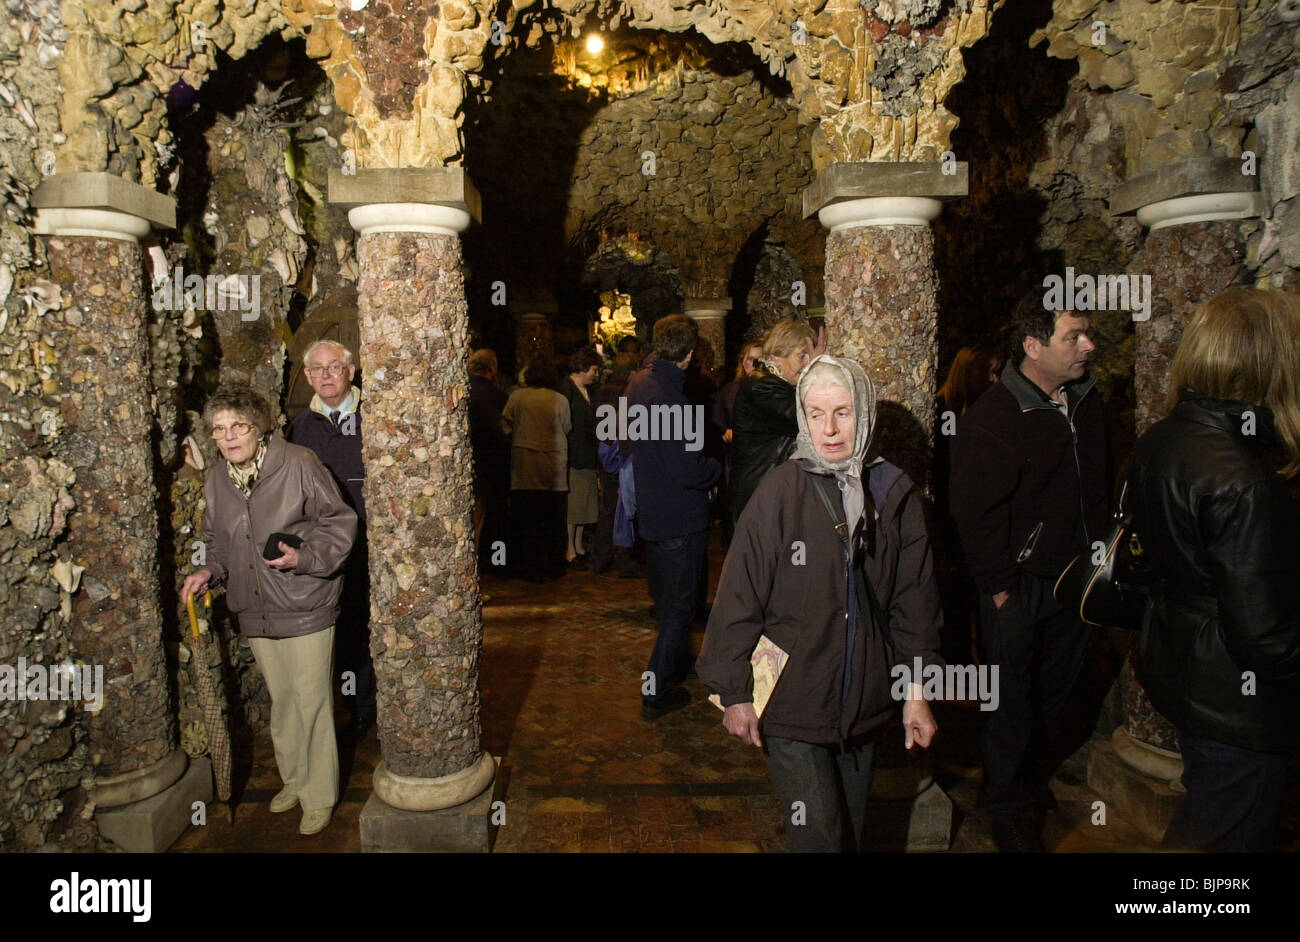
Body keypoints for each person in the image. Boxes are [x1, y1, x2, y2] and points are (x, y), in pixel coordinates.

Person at [698, 355, 941, 852]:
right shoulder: (780, 492)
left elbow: (915, 603)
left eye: (844, 412)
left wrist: (916, 690)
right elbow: (738, 595)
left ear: (865, 413)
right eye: (815, 413)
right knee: (820, 840)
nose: (829, 429)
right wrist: (733, 690)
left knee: (849, 833)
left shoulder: (895, 495)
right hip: (792, 702)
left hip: (868, 703)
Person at [1128, 287, 1300, 853]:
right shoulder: (1245, 482)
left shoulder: (1162, 440)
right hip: (1235, 702)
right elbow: (1266, 639)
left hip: (1187, 671)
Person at [949, 291, 1110, 852]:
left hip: (1078, 585)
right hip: (1018, 590)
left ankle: (1030, 779)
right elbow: (973, 512)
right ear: (1033, 346)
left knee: (1058, 693)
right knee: (1009, 703)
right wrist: (1000, 591)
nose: (1088, 345)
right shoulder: (993, 419)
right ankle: (1008, 805)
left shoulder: (1088, 400)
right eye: (1075, 336)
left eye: (1087, 333)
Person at [183, 385, 357, 836]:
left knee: (312, 701)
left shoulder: (298, 463)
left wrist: (306, 558)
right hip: (255, 608)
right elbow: (218, 540)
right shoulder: (218, 480)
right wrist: (207, 570)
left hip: (303, 602)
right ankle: (295, 781)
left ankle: (319, 795)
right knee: (282, 702)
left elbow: (338, 520)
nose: (229, 437)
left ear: (258, 429)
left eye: (237, 426)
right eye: (219, 430)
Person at [625, 314, 722, 719]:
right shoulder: (670, 396)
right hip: (679, 517)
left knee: (669, 604)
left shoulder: (640, 382)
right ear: (688, 354)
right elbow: (687, 471)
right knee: (681, 607)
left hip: (655, 511)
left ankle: (671, 667)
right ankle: (657, 687)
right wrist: (718, 468)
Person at [287, 339, 374, 738]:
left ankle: (376, 707)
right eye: (317, 369)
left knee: (376, 624)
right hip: (325, 550)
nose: (325, 375)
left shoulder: (377, 417)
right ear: (307, 377)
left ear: (350, 372)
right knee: (340, 626)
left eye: (333, 367)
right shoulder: (298, 431)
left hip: (373, 542)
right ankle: (350, 711)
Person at [932, 344, 1003, 666]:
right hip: (950, 523)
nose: (994, 378)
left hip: (971, 520)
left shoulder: (984, 413)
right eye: (988, 371)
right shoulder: (944, 412)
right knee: (956, 601)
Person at [727, 320, 822, 538]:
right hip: (761, 501)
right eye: (802, 356)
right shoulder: (762, 386)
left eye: (811, 356)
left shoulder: (778, 384)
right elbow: (809, 421)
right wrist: (818, 373)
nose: (808, 363)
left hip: (770, 497)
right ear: (778, 357)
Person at [501, 354, 571, 583]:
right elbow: (567, 427)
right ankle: (554, 565)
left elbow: (505, 423)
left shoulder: (518, 397)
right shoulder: (559, 399)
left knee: (528, 519)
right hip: (553, 466)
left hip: (525, 465)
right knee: (554, 519)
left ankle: (530, 566)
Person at [590, 352, 644, 578]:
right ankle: (625, 558)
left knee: (608, 509)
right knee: (626, 509)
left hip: (606, 456)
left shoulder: (601, 393)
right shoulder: (629, 394)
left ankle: (600, 557)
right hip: (623, 457)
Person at [467, 348, 511, 572]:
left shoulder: (465, 393)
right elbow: (504, 433)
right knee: (486, 521)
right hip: (492, 467)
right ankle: (493, 566)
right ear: (493, 369)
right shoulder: (499, 397)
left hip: (470, 467)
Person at [562, 346, 602, 569]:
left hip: (586, 454)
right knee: (574, 504)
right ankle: (570, 549)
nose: (596, 375)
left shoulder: (587, 391)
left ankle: (577, 545)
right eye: (593, 370)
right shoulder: (567, 390)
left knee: (583, 503)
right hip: (574, 455)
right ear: (582, 368)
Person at [714, 339, 764, 445]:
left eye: (759, 360)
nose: (755, 364)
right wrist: (726, 431)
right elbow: (718, 420)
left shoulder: (772, 390)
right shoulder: (729, 390)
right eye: (751, 359)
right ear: (743, 361)